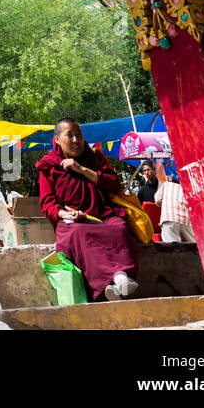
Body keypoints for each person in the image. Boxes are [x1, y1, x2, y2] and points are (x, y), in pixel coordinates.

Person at [37, 117, 140, 302]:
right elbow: (47, 204)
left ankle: (116, 282)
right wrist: (66, 214)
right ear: (58, 139)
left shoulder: (95, 157)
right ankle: (117, 280)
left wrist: (81, 168)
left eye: (79, 135)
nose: (76, 140)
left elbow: (113, 184)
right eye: (70, 135)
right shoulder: (49, 165)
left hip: (103, 215)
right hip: (73, 221)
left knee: (119, 228)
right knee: (80, 234)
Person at [154, 161, 194, 243]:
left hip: (169, 217)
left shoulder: (165, 185)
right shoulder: (187, 188)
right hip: (186, 218)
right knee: (194, 243)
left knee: (171, 244)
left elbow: (157, 200)